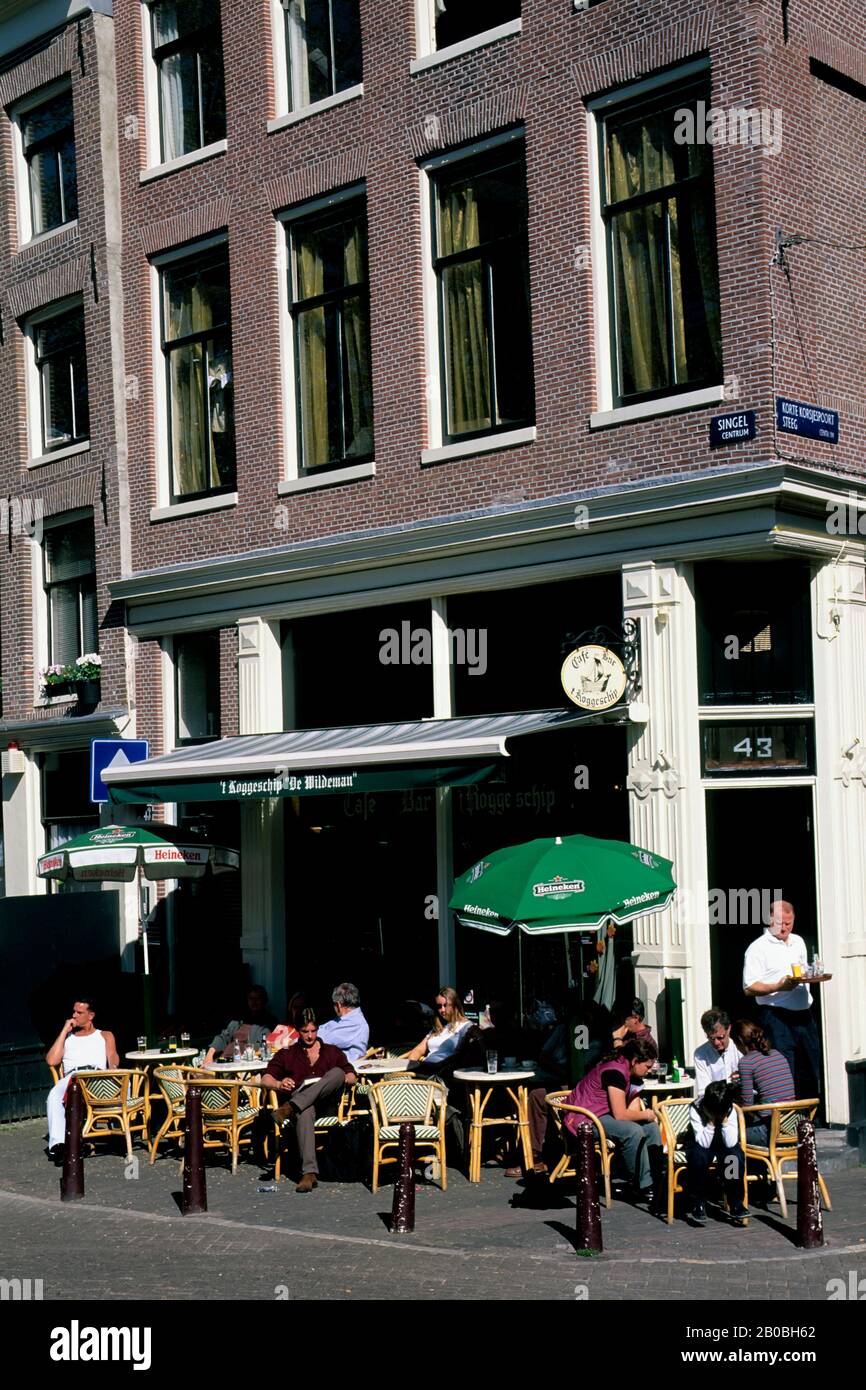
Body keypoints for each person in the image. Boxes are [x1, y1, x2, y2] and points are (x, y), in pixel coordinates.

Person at [259, 1013, 356, 1192]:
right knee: (305, 1109)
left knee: (337, 1072)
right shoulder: (287, 1054)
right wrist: (279, 1084)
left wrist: (332, 1081)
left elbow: (351, 1076)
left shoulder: (332, 1051)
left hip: (327, 1105)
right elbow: (265, 1079)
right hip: (305, 1107)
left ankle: (290, 1107)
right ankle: (309, 1174)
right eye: (305, 1031)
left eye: (313, 1030)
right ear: (298, 1031)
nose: (310, 1036)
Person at [562, 1037, 662, 1206]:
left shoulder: (626, 1068)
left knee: (650, 1128)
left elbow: (628, 1109)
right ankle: (641, 1186)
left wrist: (644, 1116)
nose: (649, 1070)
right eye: (647, 1066)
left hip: (601, 1113)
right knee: (633, 1131)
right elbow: (621, 1114)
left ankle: (657, 1178)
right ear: (635, 1061)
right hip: (585, 1118)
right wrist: (645, 1114)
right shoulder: (615, 1072)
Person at [743, 900, 822, 1096]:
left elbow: (803, 971)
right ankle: (787, 1120)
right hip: (776, 1017)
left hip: (804, 1015)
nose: (785, 927)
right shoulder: (758, 948)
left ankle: (809, 1121)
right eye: (780, 923)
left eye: (789, 923)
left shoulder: (798, 942)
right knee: (785, 1070)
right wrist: (778, 986)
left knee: (811, 1067)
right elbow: (749, 987)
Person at [44, 998, 118, 1163]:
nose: (74, 1015)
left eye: (79, 1012)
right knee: (54, 1095)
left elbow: (113, 1060)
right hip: (73, 1076)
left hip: (96, 1076)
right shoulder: (68, 1037)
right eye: (73, 1012)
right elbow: (51, 1061)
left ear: (90, 1015)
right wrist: (64, 1030)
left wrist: (112, 1071)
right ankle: (58, 1146)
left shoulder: (104, 1035)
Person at [686, 1080, 748, 1227]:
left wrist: (725, 1121)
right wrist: (712, 1121)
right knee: (699, 1157)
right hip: (701, 1140)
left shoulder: (730, 1109)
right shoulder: (695, 1108)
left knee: (733, 1157)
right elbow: (703, 1142)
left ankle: (735, 1202)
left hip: (722, 1141)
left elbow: (731, 1142)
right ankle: (699, 1202)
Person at [732, 1019, 795, 1146]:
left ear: (739, 1041)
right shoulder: (777, 1054)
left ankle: (732, 1166)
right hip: (792, 1127)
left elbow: (747, 1105)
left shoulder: (746, 1062)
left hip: (770, 1131)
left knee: (729, 1135)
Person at [403, 987, 473, 1073]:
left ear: (455, 1005)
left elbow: (459, 1057)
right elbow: (418, 1050)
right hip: (424, 1070)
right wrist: (410, 1069)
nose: (442, 1010)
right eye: (439, 1006)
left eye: (446, 1005)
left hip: (441, 1073)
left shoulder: (467, 1027)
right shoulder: (439, 1027)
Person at [204, 985, 277, 1064]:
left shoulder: (269, 1022)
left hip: (242, 1064)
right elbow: (223, 1037)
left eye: (257, 999)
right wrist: (210, 1054)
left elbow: (265, 1045)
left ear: (264, 1000)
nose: (254, 1002)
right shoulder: (239, 1020)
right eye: (251, 999)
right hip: (223, 1060)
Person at [693, 1008, 742, 1102]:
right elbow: (703, 1091)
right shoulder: (700, 1054)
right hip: (716, 1106)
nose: (716, 1043)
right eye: (711, 1038)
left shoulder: (740, 1047)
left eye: (720, 1037)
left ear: (729, 1029)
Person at [316, 982, 370, 1062]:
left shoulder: (354, 1023)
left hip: (343, 1069)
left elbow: (322, 1038)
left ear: (338, 1005)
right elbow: (321, 1029)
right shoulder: (345, 1019)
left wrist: (296, 1040)